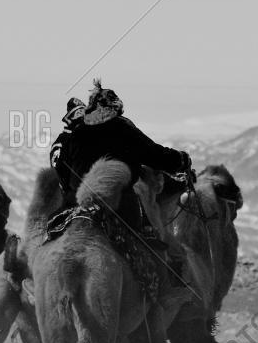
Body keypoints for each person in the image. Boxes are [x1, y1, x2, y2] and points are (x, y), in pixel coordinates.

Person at [48, 80, 193, 285]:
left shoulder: (74, 135)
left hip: (76, 202)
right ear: (115, 108)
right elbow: (153, 154)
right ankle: (159, 291)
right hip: (118, 201)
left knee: (50, 232)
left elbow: (62, 169)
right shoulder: (122, 127)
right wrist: (181, 160)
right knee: (148, 242)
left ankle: (32, 278)